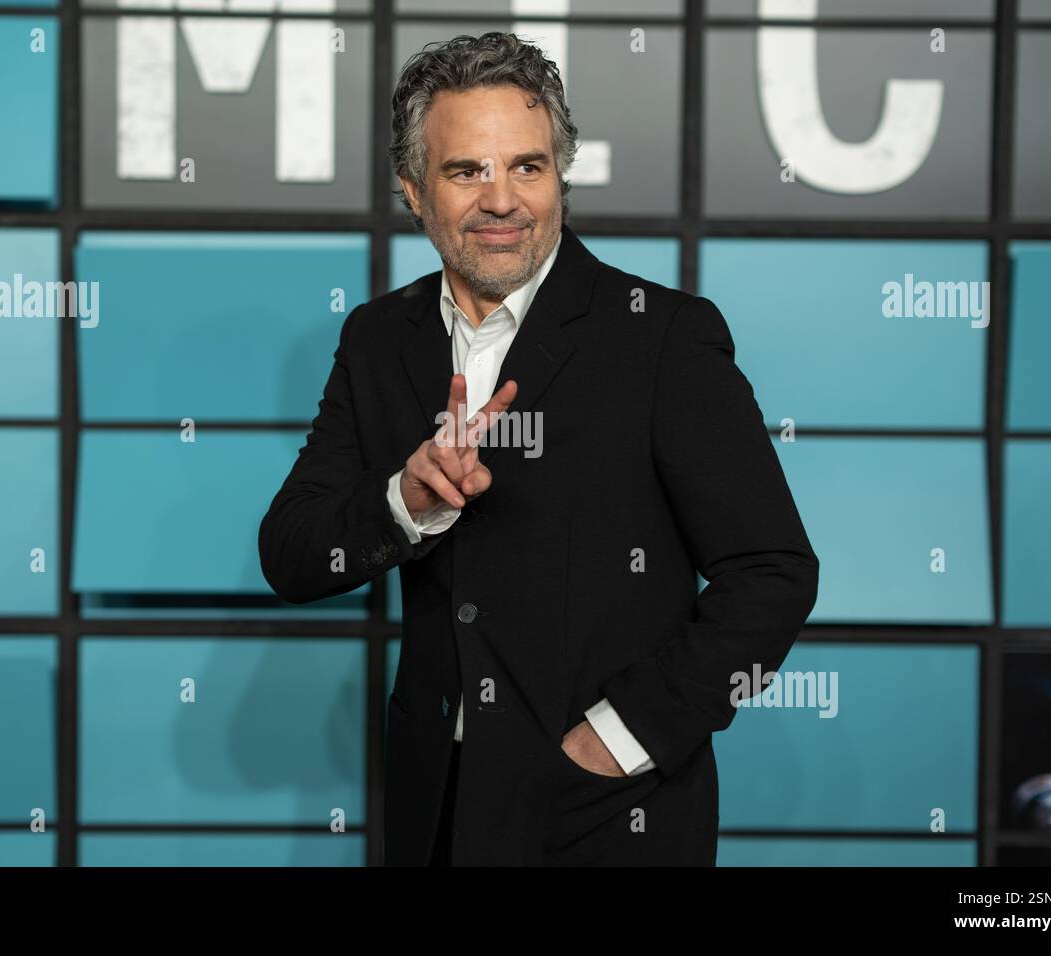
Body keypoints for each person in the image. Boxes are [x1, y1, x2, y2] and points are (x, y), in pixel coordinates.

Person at [258, 32, 819, 866]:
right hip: (433, 813)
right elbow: (292, 554)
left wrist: (617, 739)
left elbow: (772, 573)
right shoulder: (379, 339)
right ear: (414, 190)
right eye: (466, 172)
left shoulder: (662, 337)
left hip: (612, 816)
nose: (502, 200)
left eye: (527, 166)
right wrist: (405, 506)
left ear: (561, 176)